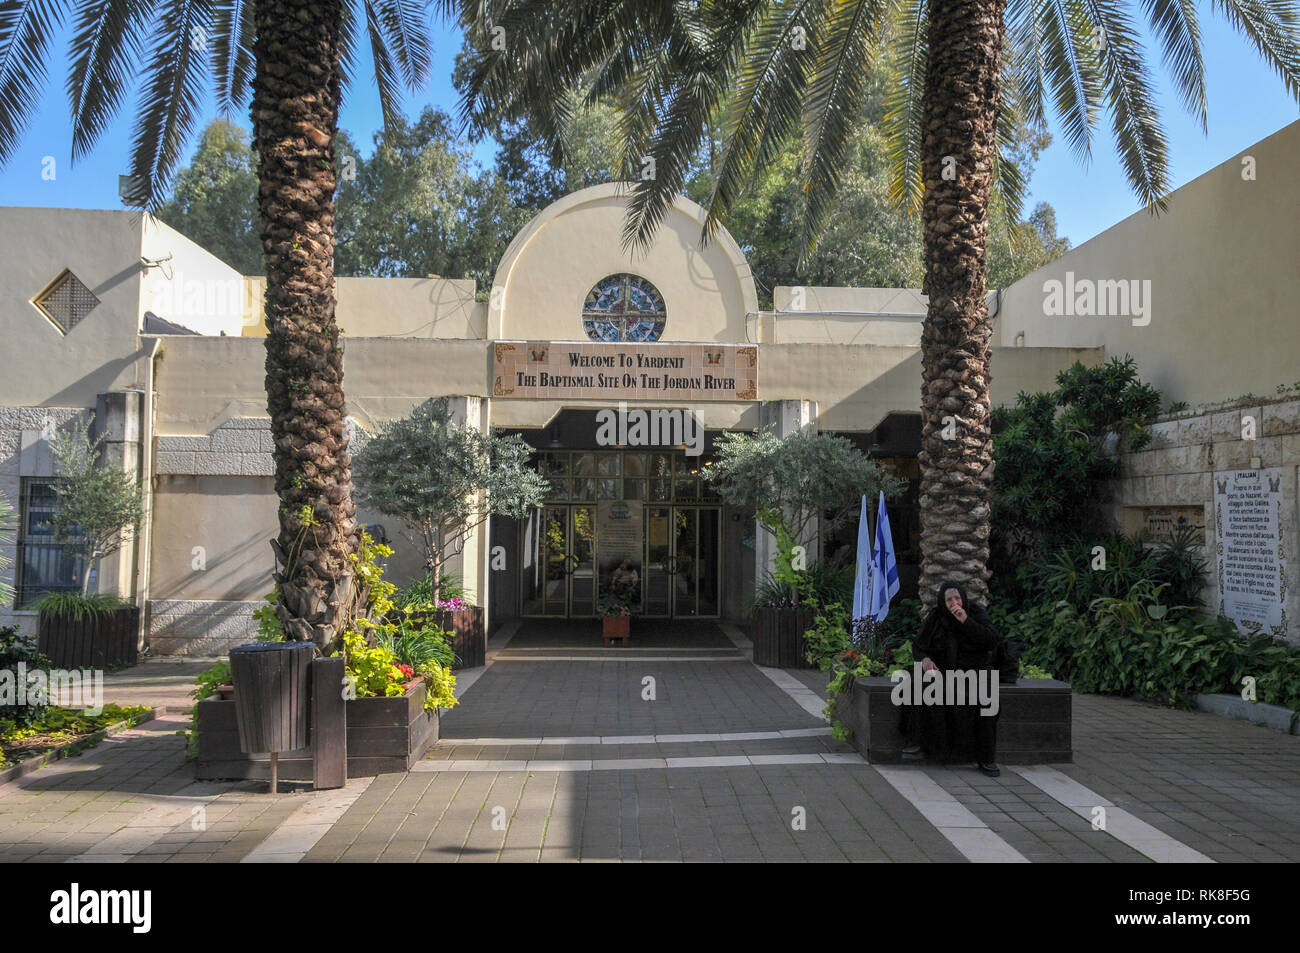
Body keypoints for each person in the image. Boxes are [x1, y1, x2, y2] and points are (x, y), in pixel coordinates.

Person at [901, 579, 1004, 777]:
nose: (954, 602)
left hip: (975, 670)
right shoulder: (936, 616)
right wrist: (925, 660)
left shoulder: (975, 613)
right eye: (949, 599)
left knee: (986, 696)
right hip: (943, 670)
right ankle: (921, 743)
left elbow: (991, 641)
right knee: (918, 681)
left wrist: (966, 621)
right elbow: (919, 645)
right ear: (942, 602)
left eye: (957, 598)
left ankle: (986, 758)